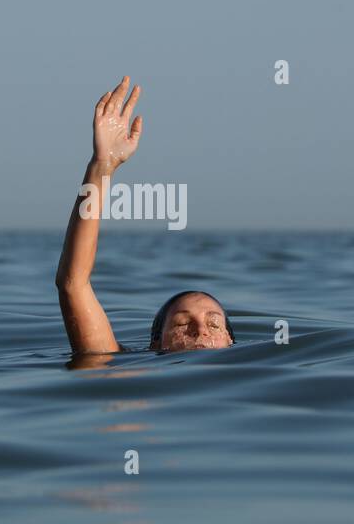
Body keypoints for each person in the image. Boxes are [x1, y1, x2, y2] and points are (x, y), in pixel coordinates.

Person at [55, 76, 236, 354]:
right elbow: (73, 284)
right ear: (156, 344)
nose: (200, 330)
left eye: (214, 325)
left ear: (230, 341)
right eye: (181, 324)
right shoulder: (131, 374)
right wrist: (102, 166)